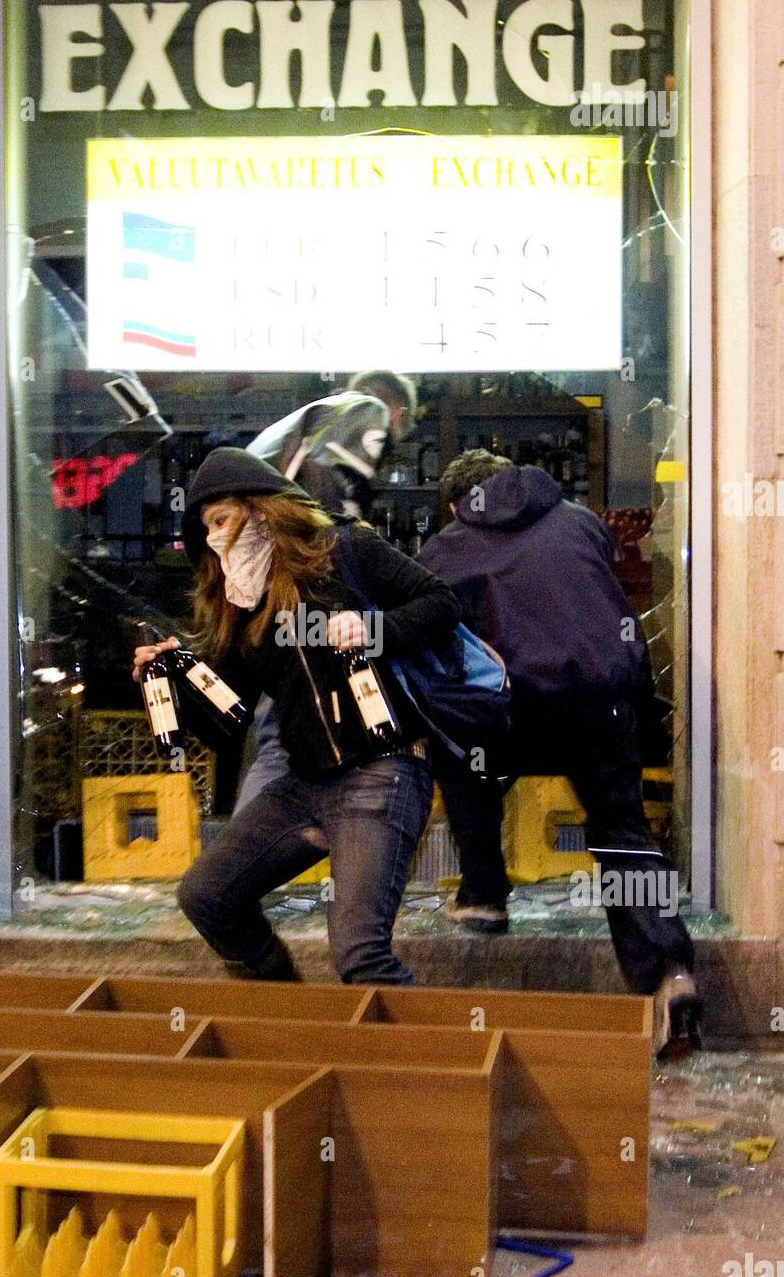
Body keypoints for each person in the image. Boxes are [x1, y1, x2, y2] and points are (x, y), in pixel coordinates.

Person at [132, 446, 459, 985]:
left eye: (222, 519)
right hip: (303, 783)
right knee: (207, 895)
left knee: (360, 954)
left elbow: (440, 603)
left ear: (261, 509)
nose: (215, 538)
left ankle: (442, 1061)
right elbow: (229, 723)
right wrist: (175, 676)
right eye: (206, 528)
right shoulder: (244, 608)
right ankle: (285, 1008)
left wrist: (373, 631)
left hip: (381, 769)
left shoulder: (346, 547)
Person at [419, 449, 702, 1059]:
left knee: (460, 751)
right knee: (621, 833)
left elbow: (437, 638)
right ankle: (670, 972)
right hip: (606, 697)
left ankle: (484, 895)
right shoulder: (578, 519)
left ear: (454, 504)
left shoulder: (447, 546)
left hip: (519, 708)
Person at [235, 372, 417, 810]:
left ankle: (251, 844)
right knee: (288, 723)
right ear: (400, 412)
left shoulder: (312, 420)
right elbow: (328, 487)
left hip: (273, 579)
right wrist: (339, 560)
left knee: (278, 719)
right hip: (304, 583)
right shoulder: (365, 411)